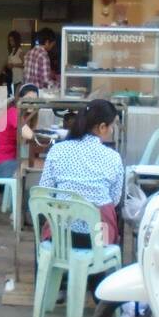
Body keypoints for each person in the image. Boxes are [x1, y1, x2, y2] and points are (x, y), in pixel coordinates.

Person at [38, 98, 124, 247]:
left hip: (60, 236)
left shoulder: (57, 150)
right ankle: (99, 267)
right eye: (112, 126)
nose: (112, 130)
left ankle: (54, 267)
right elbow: (114, 200)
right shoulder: (113, 158)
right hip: (98, 239)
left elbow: (45, 192)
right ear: (102, 127)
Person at [0, 83, 38, 179]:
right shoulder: (13, 112)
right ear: (19, 99)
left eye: (35, 100)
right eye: (28, 99)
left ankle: (22, 192)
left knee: (33, 164)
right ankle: (19, 193)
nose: (32, 103)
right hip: (1, 165)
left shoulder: (20, 114)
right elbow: (29, 135)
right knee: (38, 164)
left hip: (4, 162)